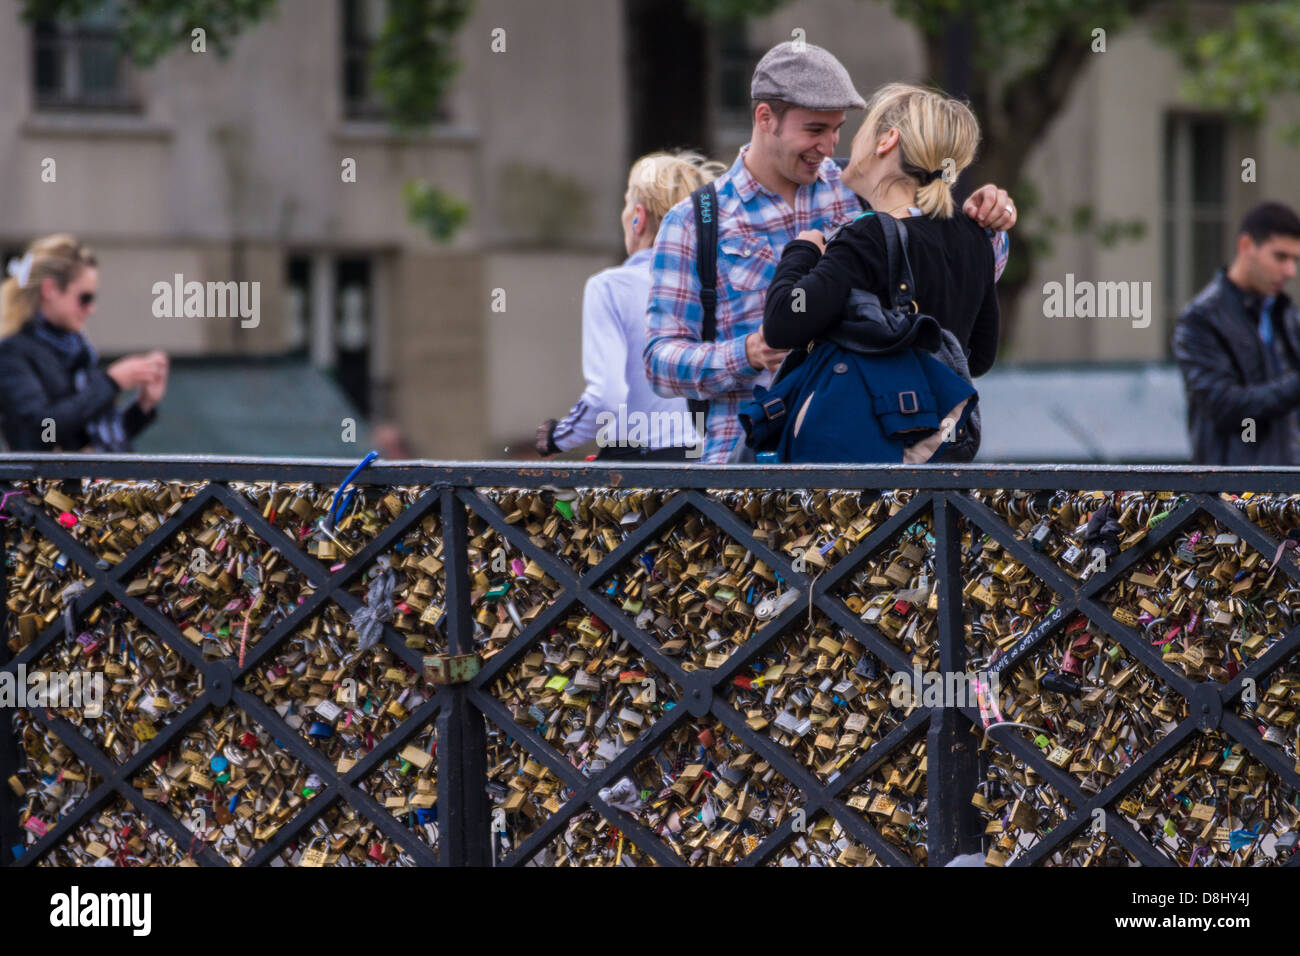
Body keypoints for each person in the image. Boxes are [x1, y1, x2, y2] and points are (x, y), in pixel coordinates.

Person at [643, 41, 1017, 464]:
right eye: (815, 130)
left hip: (863, 457)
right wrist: (746, 352)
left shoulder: (862, 189)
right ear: (765, 118)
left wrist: (988, 222)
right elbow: (659, 363)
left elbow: (947, 274)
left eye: (838, 128)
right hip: (739, 471)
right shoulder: (695, 220)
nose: (830, 145)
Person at [761, 82, 1000, 463]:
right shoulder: (975, 237)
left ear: (887, 140)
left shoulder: (868, 234)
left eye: (862, 130)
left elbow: (781, 323)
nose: (847, 144)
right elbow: (978, 356)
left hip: (863, 471)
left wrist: (802, 250)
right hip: (933, 461)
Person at [536, 150, 724, 460]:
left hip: (641, 468)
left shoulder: (611, 287)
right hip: (715, 466)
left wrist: (558, 436)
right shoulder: (724, 284)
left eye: (626, 204)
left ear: (638, 217)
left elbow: (607, 397)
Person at [0, 234, 167, 452]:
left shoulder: (77, 351)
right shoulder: (13, 352)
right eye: (84, 298)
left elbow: (91, 442)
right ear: (50, 290)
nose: (91, 309)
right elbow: (45, 431)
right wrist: (111, 382)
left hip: (88, 483)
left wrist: (144, 405)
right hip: (46, 486)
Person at [1173, 202, 1300, 465]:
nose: (1290, 271)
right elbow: (1224, 406)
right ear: (1246, 246)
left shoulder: (1286, 315)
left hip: (1287, 492)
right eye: (1280, 257)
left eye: (1294, 260)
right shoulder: (1200, 319)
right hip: (1231, 496)